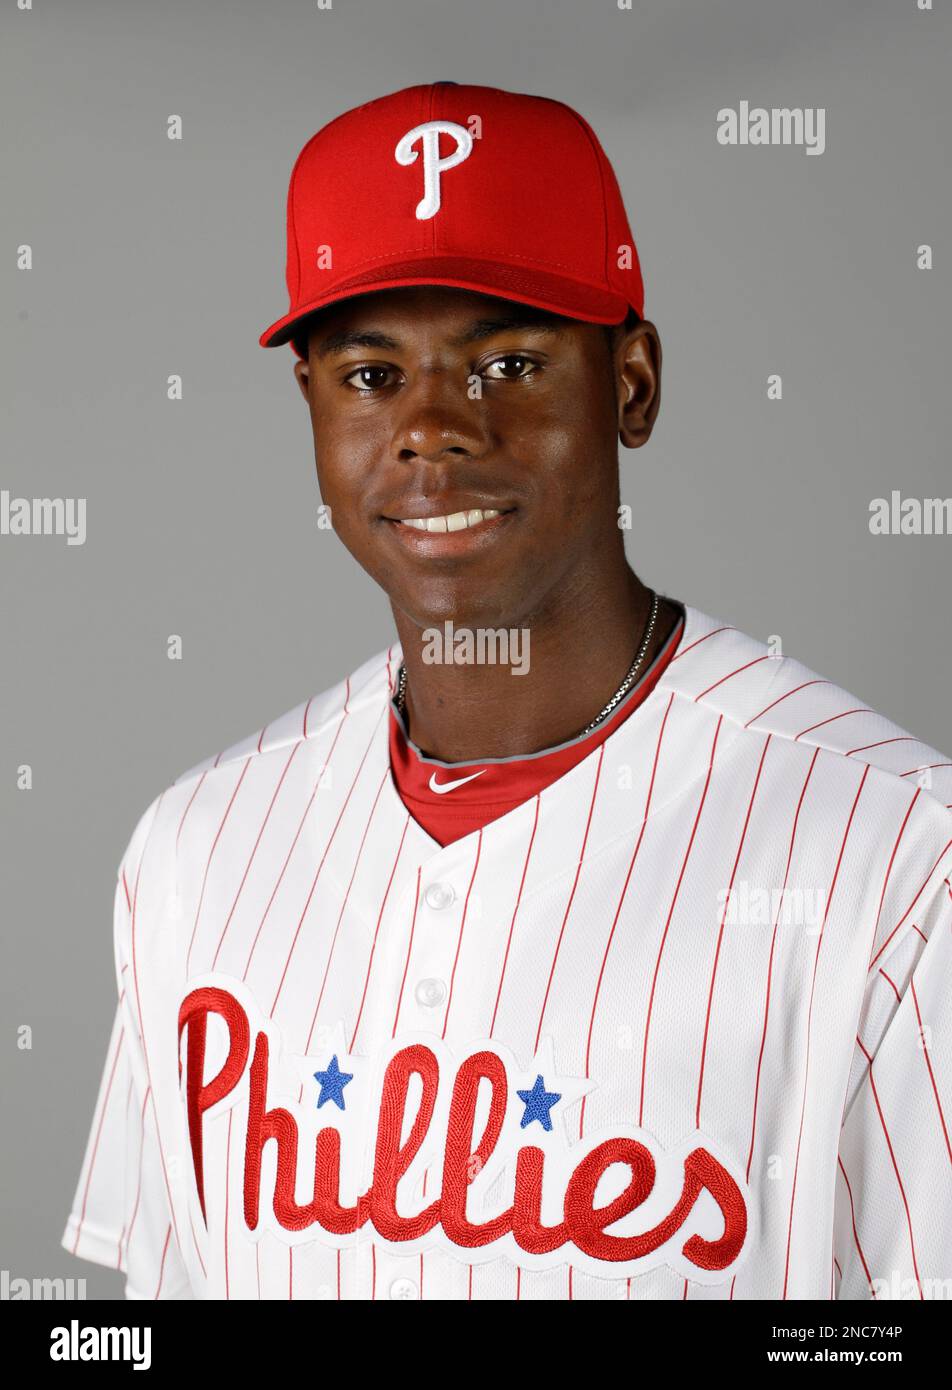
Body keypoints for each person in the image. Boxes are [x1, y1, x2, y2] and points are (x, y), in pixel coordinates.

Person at [62, 82, 951, 1301]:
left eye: (510, 361)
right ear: (312, 410)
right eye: (371, 374)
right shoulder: (192, 854)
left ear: (630, 384)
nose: (433, 426)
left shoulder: (896, 857)